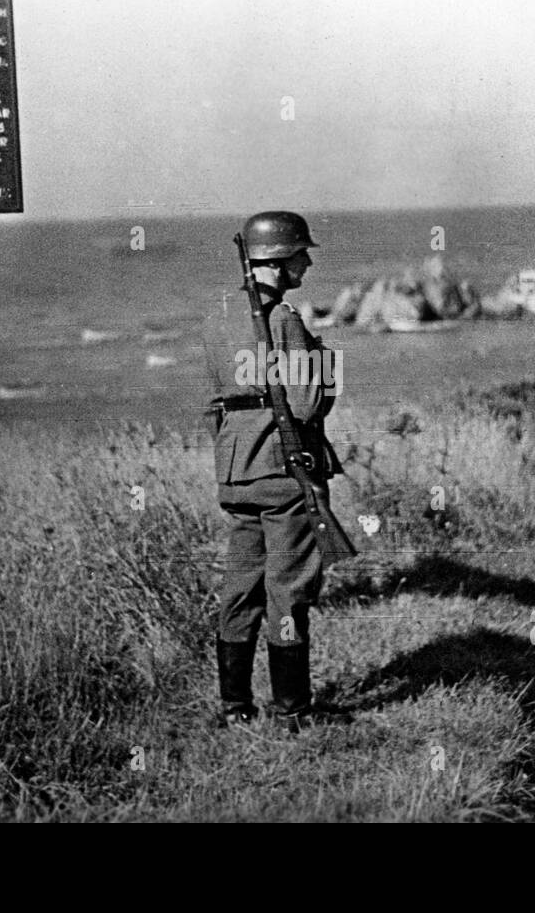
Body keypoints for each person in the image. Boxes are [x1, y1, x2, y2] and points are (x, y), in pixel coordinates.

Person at [201, 210, 343, 731]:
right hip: (284, 471)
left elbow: (215, 402)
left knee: (239, 585)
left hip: (235, 470)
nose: (306, 261)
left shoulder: (218, 318)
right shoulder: (284, 320)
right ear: (278, 262)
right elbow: (307, 405)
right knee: (289, 587)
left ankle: (235, 706)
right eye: (300, 254)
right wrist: (325, 363)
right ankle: (293, 711)